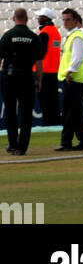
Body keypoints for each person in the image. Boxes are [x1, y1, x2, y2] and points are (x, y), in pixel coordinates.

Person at [0, 8, 44, 155]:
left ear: (14, 18)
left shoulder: (7, 35)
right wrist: (38, 80)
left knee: (10, 112)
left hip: (9, 77)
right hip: (26, 77)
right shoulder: (33, 37)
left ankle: (12, 144)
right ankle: (22, 147)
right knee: (25, 114)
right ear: (26, 18)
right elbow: (38, 63)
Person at [55, 8, 83, 152]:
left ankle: (66, 142)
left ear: (75, 20)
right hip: (72, 78)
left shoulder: (76, 36)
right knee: (75, 112)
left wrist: (70, 71)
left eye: (68, 19)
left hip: (73, 78)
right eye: (63, 19)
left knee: (70, 112)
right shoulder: (72, 36)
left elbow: (77, 57)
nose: (65, 22)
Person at [36, 7, 62, 126]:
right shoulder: (55, 31)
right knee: (53, 98)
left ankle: (48, 122)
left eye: (40, 16)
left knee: (45, 99)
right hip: (54, 69)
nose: (38, 18)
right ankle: (55, 120)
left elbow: (40, 53)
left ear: (45, 18)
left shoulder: (44, 32)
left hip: (44, 70)